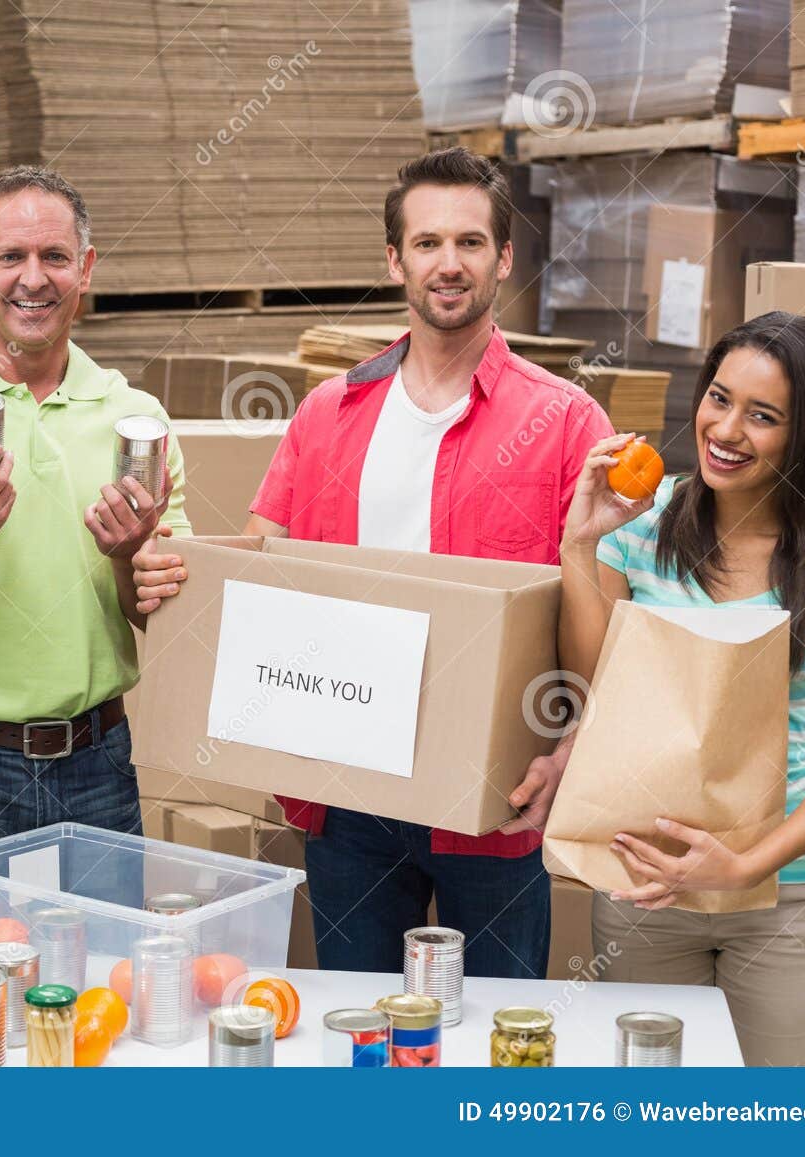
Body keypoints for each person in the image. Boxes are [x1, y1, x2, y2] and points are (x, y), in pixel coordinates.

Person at [133, 147, 613, 979]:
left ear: (504, 258)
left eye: (470, 242)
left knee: (490, 1042)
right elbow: (258, 566)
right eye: (427, 243)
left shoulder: (567, 422)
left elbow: (602, 615)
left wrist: (577, 742)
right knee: (359, 1030)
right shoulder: (330, 412)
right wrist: (165, 566)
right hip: (348, 794)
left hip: (492, 796)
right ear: (395, 259)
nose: (449, 263)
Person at [558, 312, 805, 1066]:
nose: (727, 428)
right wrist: (582, 542)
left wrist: (746, 864)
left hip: (790, 897)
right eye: (719, 397)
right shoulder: (639, 525)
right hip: (646, 880)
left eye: (763, 415)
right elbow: (588, 684)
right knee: (648, 1122)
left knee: (773, 1125)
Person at [0, 165, 190, 908]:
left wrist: (128, 557)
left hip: (97, 761)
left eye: (55, 257)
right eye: (11, 257)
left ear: (85, 269)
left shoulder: (134, 418)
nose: (33, 278)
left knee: (98, 1004)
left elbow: (159, 611)